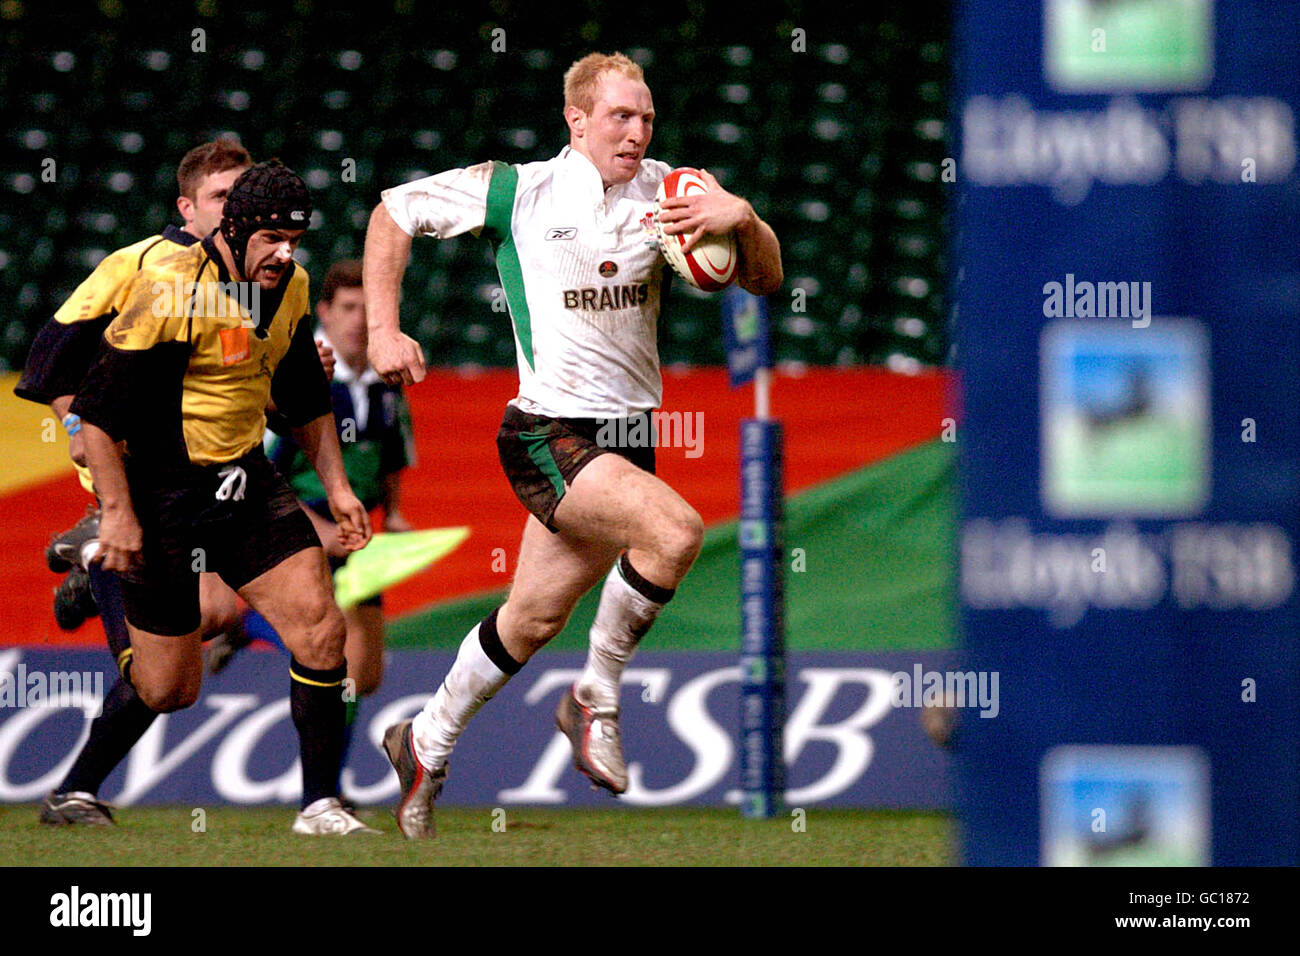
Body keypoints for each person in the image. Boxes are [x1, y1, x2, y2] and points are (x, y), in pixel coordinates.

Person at [362, 51, 782, 838]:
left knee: (530, 619)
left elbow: (761, 280)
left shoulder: (673, 193)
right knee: (676, 531)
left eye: (647, 117)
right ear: (577, 119)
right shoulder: (517, 189)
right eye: (621, 116)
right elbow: (391, 213)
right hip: (546, 432)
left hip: (626, 439)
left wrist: (746, 219)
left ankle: (422, 742)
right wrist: (384, 328)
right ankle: (595, 696)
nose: (637, 131)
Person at [70, 160, 376, 835]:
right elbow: (95, 414)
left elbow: (301, 399)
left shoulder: (289, 286)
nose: (285, 253)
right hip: (162, 495)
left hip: (244, 485)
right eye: (271, 238)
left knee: (322, 629)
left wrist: (339, 488)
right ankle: (102, 576)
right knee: (169, 689)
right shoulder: (172, 287)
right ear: (233, 229)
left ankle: (320, 806)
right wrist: (118, 512)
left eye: (295, 239)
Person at [15, 139, 254, 825]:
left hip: (206, 484)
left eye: (242, 199)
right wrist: (87, 441)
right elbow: (48, 363)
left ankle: (93, 579)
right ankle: (74, 792)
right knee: (163, 677)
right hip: (140, 492)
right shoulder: (139, 264)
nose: (233, 211)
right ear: (186, 206)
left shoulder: (246, 282)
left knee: (206, 633)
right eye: (219, 198)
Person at [209, 259, 414, 792]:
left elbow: (390, 456)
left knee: (366, 677)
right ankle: (328, 793)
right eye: (348, 308)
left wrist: (391, 513)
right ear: (323, 311)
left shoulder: (385, 381)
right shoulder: (304, 377)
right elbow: (257, 468)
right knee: (340, 665)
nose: (359, 321)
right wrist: (316, 527)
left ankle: (247, 628)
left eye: (370, 310)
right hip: (301, 532)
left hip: (356, 535)